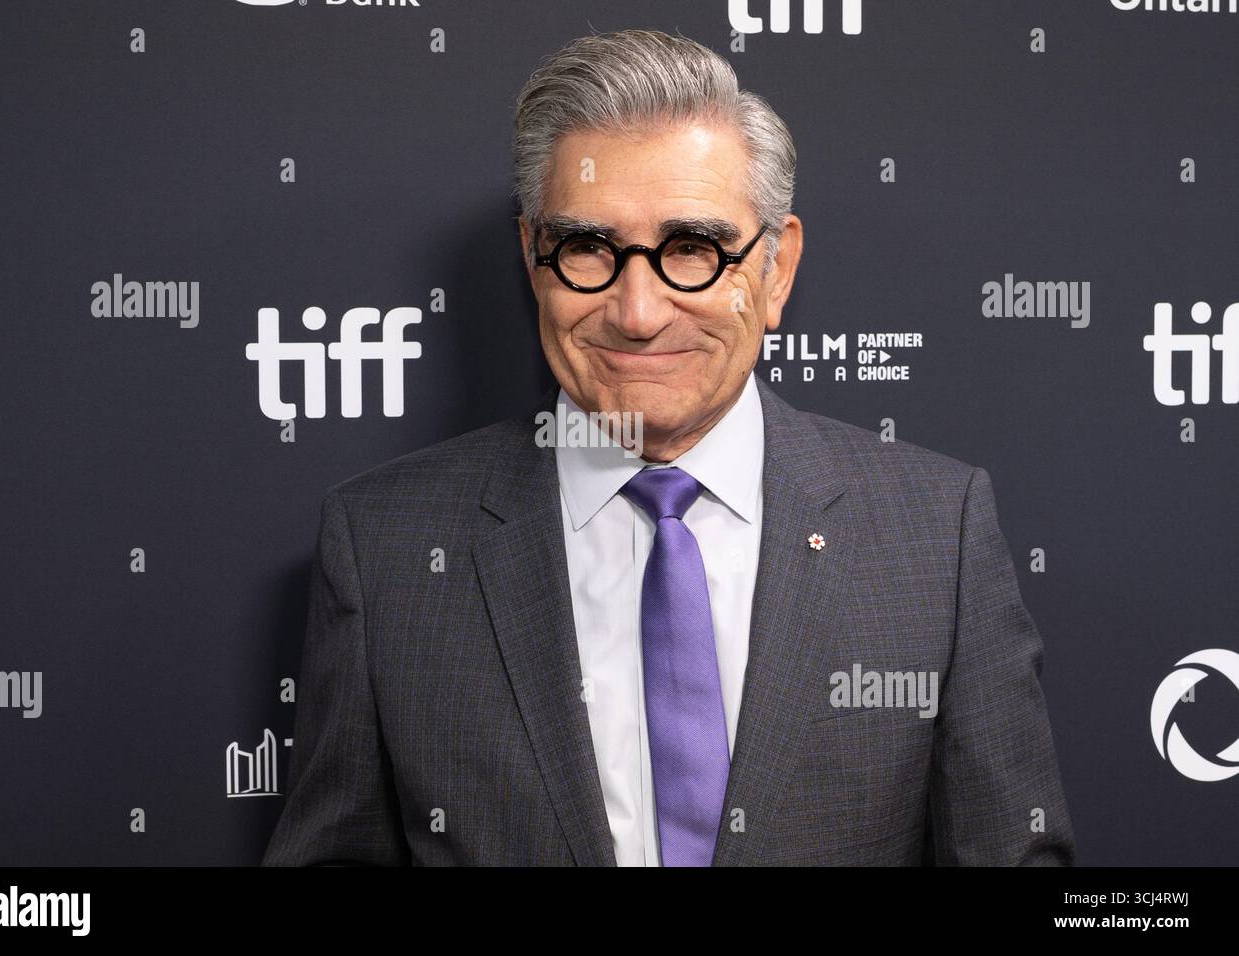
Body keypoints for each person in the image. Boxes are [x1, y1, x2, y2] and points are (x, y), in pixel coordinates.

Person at [261, 29, 1076, 866]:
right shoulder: (384, 545)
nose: (639, 311)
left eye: (692, 248)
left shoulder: (937, 535)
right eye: (588, 249)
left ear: (776, 270)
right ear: (533, 260)